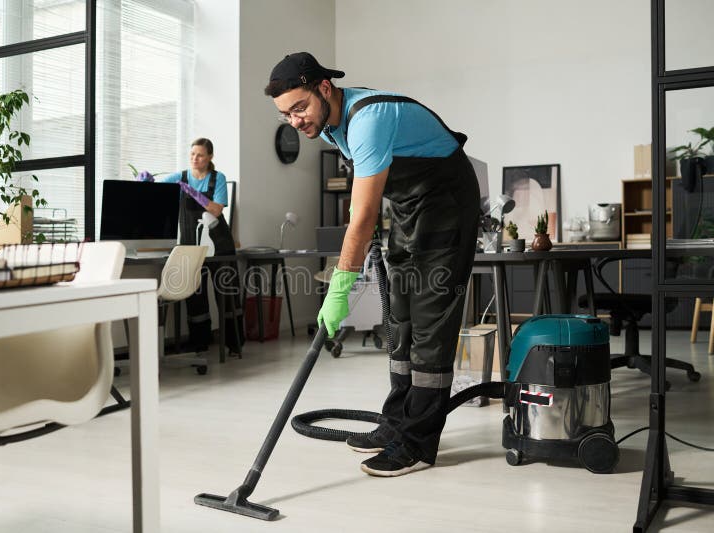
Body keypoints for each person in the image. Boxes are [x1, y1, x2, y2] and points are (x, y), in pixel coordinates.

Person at [265, 53, 479, 477]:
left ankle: (417, 443)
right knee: (400, 319)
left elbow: (361, 217)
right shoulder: (332, 127)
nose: (295, 121)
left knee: (429, 324)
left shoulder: (367, 119)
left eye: (300, 107)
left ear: (324, 88)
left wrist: (339, 286)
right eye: (286, 114)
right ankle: (397, 424)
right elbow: (367, 195)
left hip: (448, 205)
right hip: (409, 209)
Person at [138, 138, 244, 356]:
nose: (195, 159)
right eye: (192, 154)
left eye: (200, 155)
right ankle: (200, 344)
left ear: (210, 157)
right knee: (196, 295)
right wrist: (145, 182)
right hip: (191, 246)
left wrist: (195, 194)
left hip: (219, 246)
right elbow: (156, 194)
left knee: (226, 293)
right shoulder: (180, 177)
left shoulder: (218, 178)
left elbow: (216, 210)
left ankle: (234, 344)